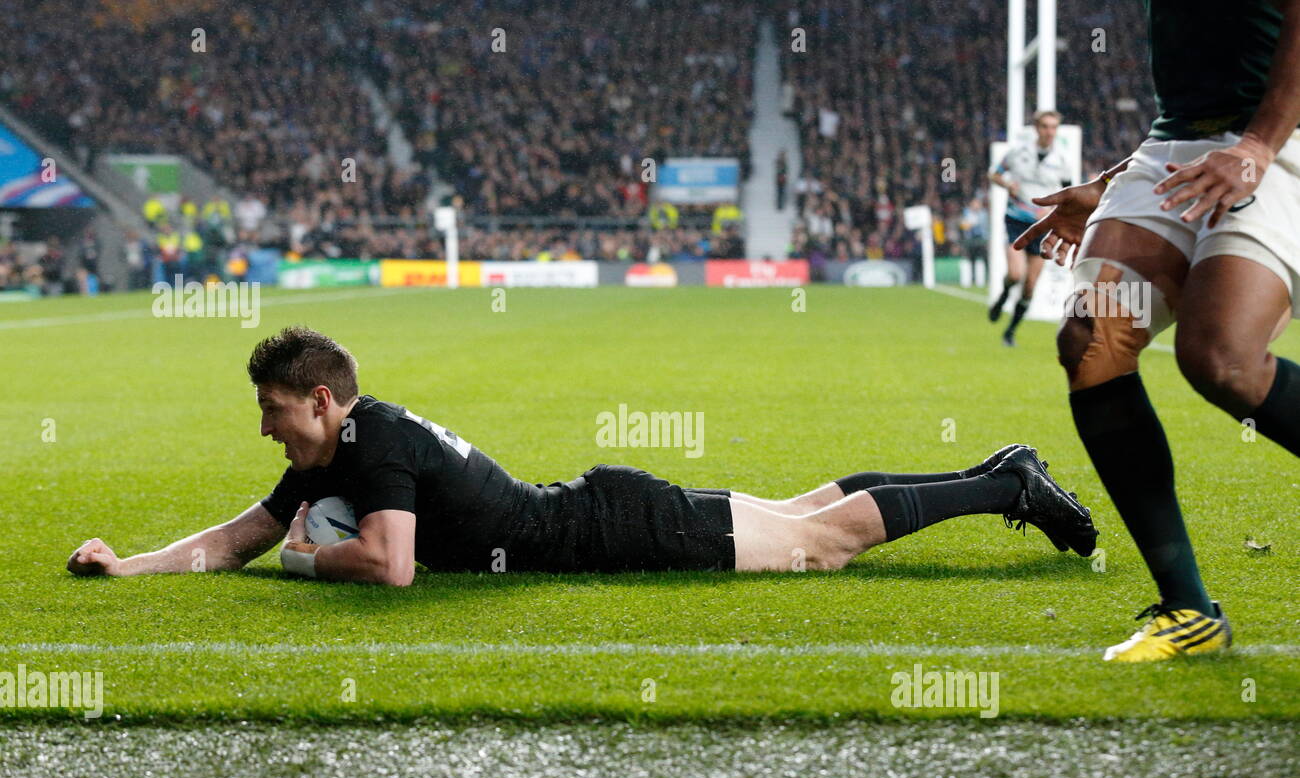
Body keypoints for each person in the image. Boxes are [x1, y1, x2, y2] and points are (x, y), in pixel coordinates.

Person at [67, 328, 1096, 584]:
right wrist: (132, 566)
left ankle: (1005, 484)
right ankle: (1001, 470)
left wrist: (309, 558)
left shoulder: (369, 447)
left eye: (274, 409)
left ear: (322, 400)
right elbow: (239, 534)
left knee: (820, 543)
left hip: (616, 526)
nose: (266, 427)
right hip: (606, 507)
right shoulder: (339, 448)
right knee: (805, 505)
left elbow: (390, 563)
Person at [1014, 0, 1300, 661]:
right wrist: (1112, 181)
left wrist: (1257, 147)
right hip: (1171, 147)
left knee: (1221, 359)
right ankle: (1188, 610)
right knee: (1091, 343)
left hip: (1280, 139)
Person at [988, 110, 1073, 345]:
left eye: (1054, 127)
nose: (1049, 132)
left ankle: (1010, 332)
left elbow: (1068, 194)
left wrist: (1057, 211)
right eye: (1045, 126)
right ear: (1036, 128)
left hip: (1043, 225)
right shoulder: (1018, 153)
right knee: (1015, 274)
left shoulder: (1062, 160)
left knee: (1029, 287)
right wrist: (1007, 184)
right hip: (1016, 220)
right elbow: (995, 174)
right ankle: (1003, 295)